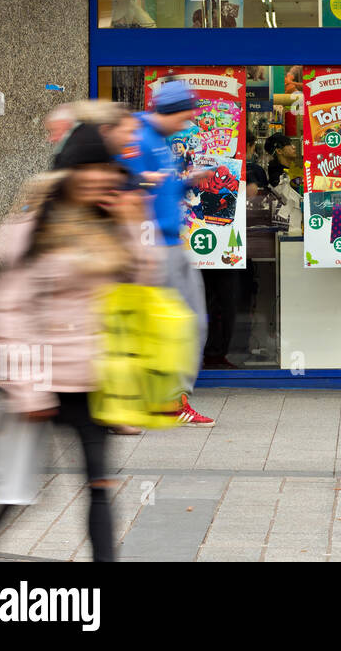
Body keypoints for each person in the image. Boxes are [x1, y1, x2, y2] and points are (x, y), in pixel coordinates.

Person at [0, 124, 158, 562]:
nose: (98, 178)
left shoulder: (113, 221)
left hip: (94, 379)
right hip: (40, 381)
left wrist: (133, 226)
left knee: (99, 485)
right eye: (87, 169)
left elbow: (141, 293)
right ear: (68, 173)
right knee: (20, 481)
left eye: (104, 169)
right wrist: (29, 387)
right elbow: (9, 310)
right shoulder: (34, 228)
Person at [119, 79, 215, 426]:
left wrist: (188, 181)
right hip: (154, 246)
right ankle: (166, 401)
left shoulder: (157, 140)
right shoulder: (137, 138)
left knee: (189, 322)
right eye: (185, 116)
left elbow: (161, 186)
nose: (187, 123)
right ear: (169, 111)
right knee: (181, 324)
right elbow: (123, 187)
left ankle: (167, 399)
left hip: (171, 244)